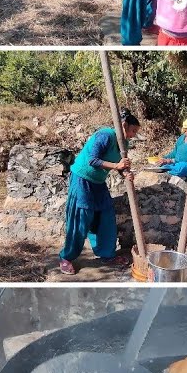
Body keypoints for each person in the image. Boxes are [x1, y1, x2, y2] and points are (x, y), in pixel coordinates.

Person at [58, 111, 141, 275]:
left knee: (106, 216)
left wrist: (124, 172)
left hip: (98, 182)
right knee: (81, 218)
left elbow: (119, 165)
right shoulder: (105, 135)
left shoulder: (124, 144)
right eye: (132, 131)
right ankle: (66, 257)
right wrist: (117, 166)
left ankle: (106, 254)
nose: (133, 135)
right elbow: (93, 160)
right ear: (124, 126)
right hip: (82, 178)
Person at [159, 115, 187, 179]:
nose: (186, 134)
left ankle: (169, 169)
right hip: (176, 163)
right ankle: (169, 168)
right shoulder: (181, 138)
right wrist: (164, 158)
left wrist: (171, 161)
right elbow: (174, 153)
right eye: (185, 131)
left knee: (182, 167)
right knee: (164, 164)